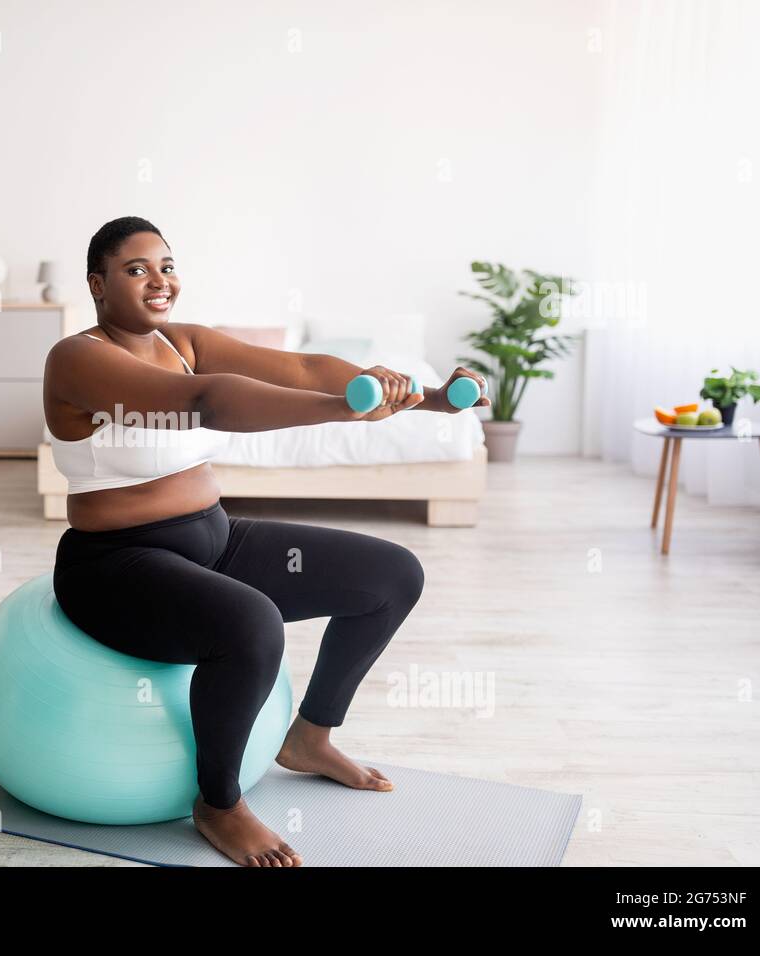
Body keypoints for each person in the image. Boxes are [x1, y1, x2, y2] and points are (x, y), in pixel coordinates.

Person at [43, 216, 490, 866]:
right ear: (97, 284)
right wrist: (347, 409)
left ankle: (309, 738)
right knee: (252, 626)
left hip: (214, 540)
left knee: (393, 575)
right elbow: (203, 403)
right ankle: (218, 805)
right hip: (114, 566)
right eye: (136, 269)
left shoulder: (183, 340)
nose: (158, 281)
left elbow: (305, 366)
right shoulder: (78, 359)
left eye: (167, 265)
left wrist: (421, 399)